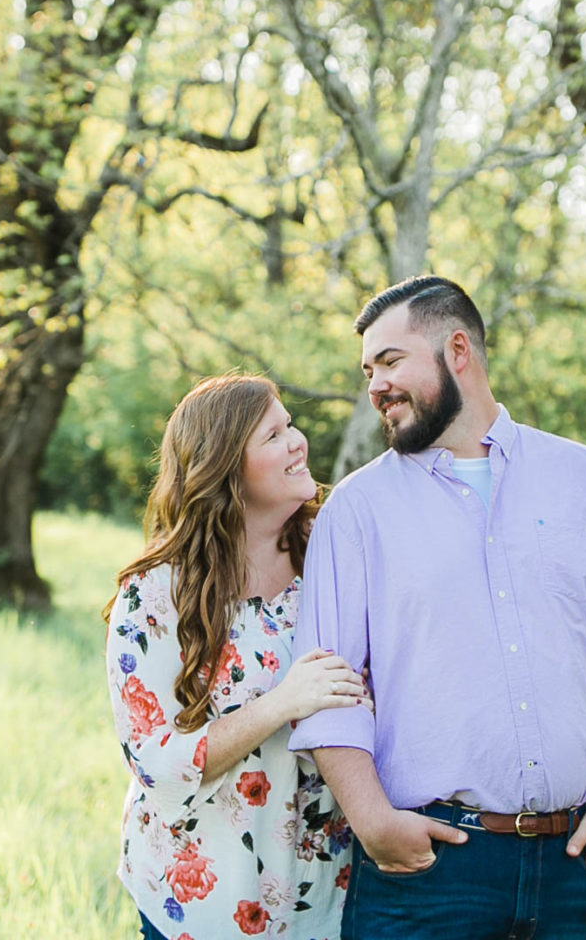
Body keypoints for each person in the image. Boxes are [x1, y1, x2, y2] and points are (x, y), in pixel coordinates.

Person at [289, 276, 586, 940]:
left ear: (458, 350)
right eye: (367, 371)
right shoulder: (358, 512)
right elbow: (329, 691)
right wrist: (373, 822)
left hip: (568, 870)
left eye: (390, 362)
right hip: (425, 872)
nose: (375, 385)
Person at [105, 374, 368, 940]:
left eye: (290, 425)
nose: (298, 441)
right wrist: (281, 704)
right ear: (227, 469)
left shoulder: (334, 557)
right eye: (275, 435)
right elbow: (155, 761)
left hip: (324, 891)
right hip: (196, 896)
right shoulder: (156, 594)